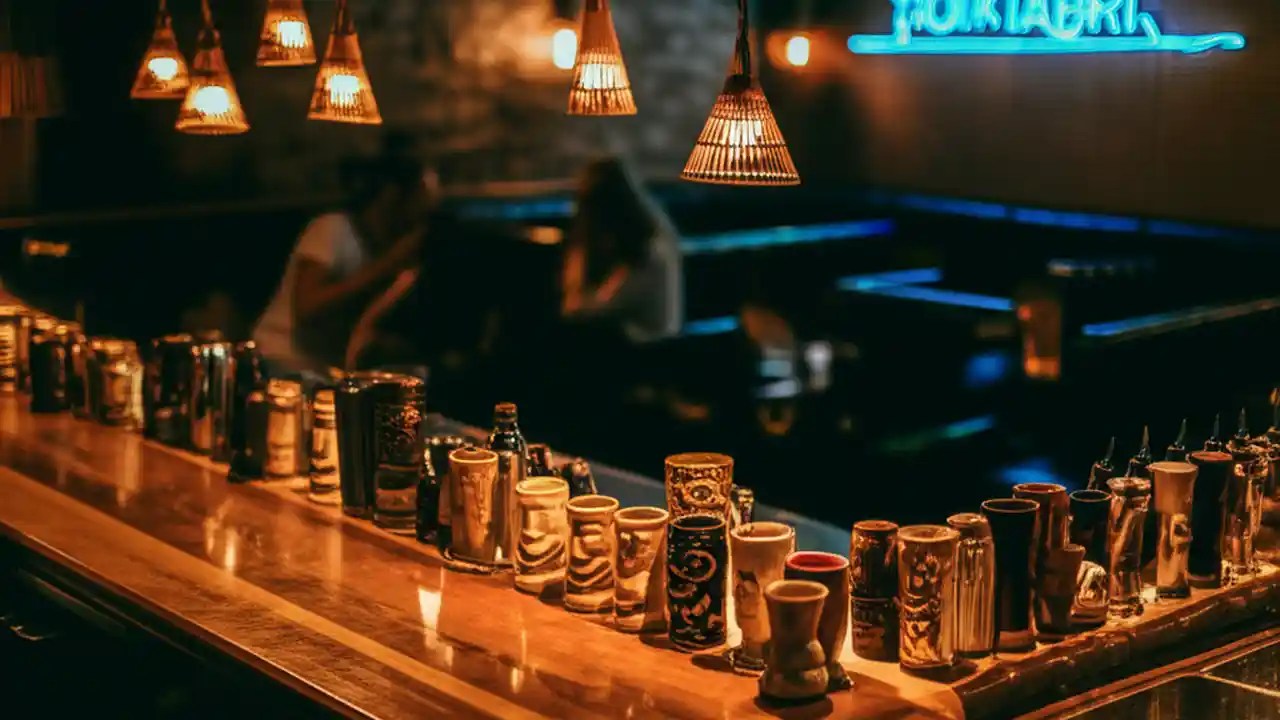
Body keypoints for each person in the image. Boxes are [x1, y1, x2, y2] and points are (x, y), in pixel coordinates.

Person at [253, 151, 437, 371]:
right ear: (391, 197)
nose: (422, 223)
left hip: (328, 371)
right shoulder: (333, 228)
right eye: (419, 207)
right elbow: (308, 308)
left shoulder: (392, 254)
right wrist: (385, 267)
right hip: (281, 359)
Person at [561, 158, 683, 343]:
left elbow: (577, 310)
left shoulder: (647, 257)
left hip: (652, 358)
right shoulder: (656, 237)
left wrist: (579, 249)